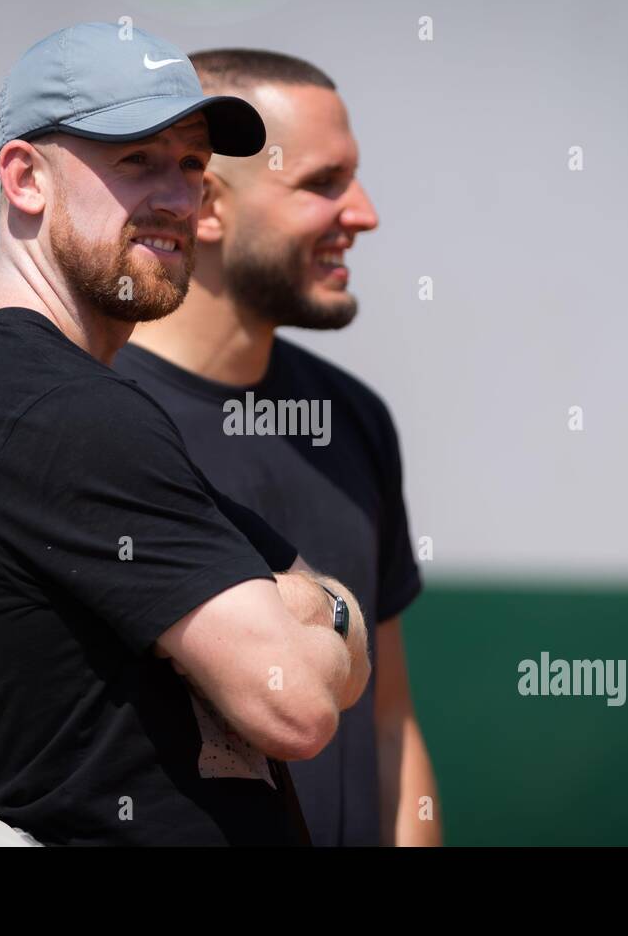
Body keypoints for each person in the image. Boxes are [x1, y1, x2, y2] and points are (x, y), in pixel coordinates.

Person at [0, 23, 370, 846]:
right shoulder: (62, 411)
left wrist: (295, 610)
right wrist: (329, 609)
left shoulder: (30, 390)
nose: (178, 198)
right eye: (136, 160)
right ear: (25, 179)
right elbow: (298, 706)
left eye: (192, 164)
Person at [114, 49, 441, 846]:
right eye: (323, 184)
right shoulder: (97, 420)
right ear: (211, 207)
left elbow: (389, 723)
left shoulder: (355, 418)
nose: (362, 213)